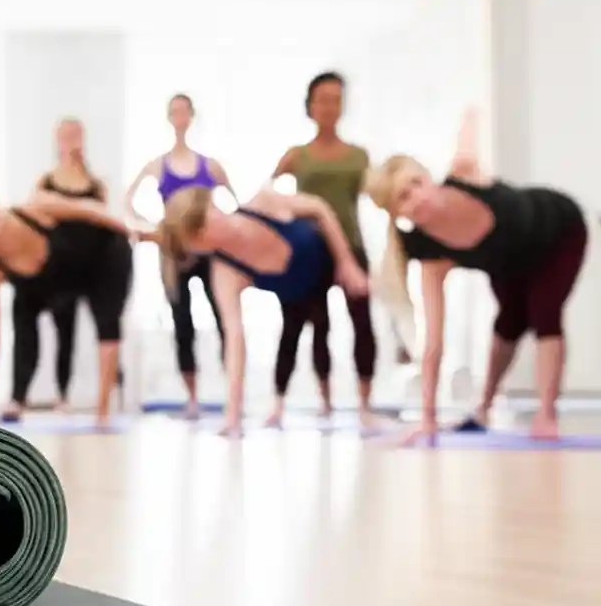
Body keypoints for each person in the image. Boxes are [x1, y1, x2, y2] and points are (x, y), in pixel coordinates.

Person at [364, 109, 588, 442]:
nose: (418, 197)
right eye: (404, 198)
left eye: (416, 183)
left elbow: (468, 130)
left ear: (428, 177)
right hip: (509, 260)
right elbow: (434, 341)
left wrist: (471, 113)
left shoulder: (464, 174)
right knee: (509, 323)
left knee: (544, 312)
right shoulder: (429, 253)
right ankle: (483, 406)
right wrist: (427, 418)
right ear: (396, 214)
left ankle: (546, 414)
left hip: (560, 230)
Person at [155, 185, 370, 437]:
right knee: (297, 336)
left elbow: (319, 208)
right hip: (298, 292)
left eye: (203, 225)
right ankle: (286, 404)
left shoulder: (263, 202)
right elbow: (234, 339)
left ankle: (365, 407)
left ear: (212, 206)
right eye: (197, 241)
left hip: (332, 257)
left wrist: (346, 261)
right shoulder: (226, 273)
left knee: (361, 322)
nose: (207, 238)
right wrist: (232, 416)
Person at [0, 186, 134, 426]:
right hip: (52, 282)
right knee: (23, 317)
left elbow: (88, 210)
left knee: (107, 324)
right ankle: (17, 399)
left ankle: (102, 412)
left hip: (104, 254)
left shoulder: (35, 207)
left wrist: (129, 228)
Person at [1, 117, 133, 422]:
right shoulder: (45, 181)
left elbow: (105, 215)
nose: (71, 140)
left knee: (86, 329)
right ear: (56, 140)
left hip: (96, 266)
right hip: (57, 269)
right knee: (27, 319)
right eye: (65, 135)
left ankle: (89, 404)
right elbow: (36, 210)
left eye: (76, 135)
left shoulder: (96, 183)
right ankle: (18, 396)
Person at [273, 71, 377, 426]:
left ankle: (364, 405)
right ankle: (321, 400)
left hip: (351, 247)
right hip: (309, 253)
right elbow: (268, 196)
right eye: (323, 99)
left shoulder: (358, 157)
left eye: (337, 99)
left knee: (362, 324)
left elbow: (379, 194)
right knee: (312, 324)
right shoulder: (296, 156)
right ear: (310, 106)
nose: (330, 106)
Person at [123, 93, 232, 418]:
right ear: (169, 117)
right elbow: (127, 200)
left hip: (209, 252)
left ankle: (232, 394)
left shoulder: (210, 165)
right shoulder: (158, 165)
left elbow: (235, 204)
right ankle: (193, 399)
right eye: (174, 112)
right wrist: (151, 228)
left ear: (191, 116)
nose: (180, 117)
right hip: (173, 252)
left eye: (184, 111)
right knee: (181, 322)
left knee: (224, 319)